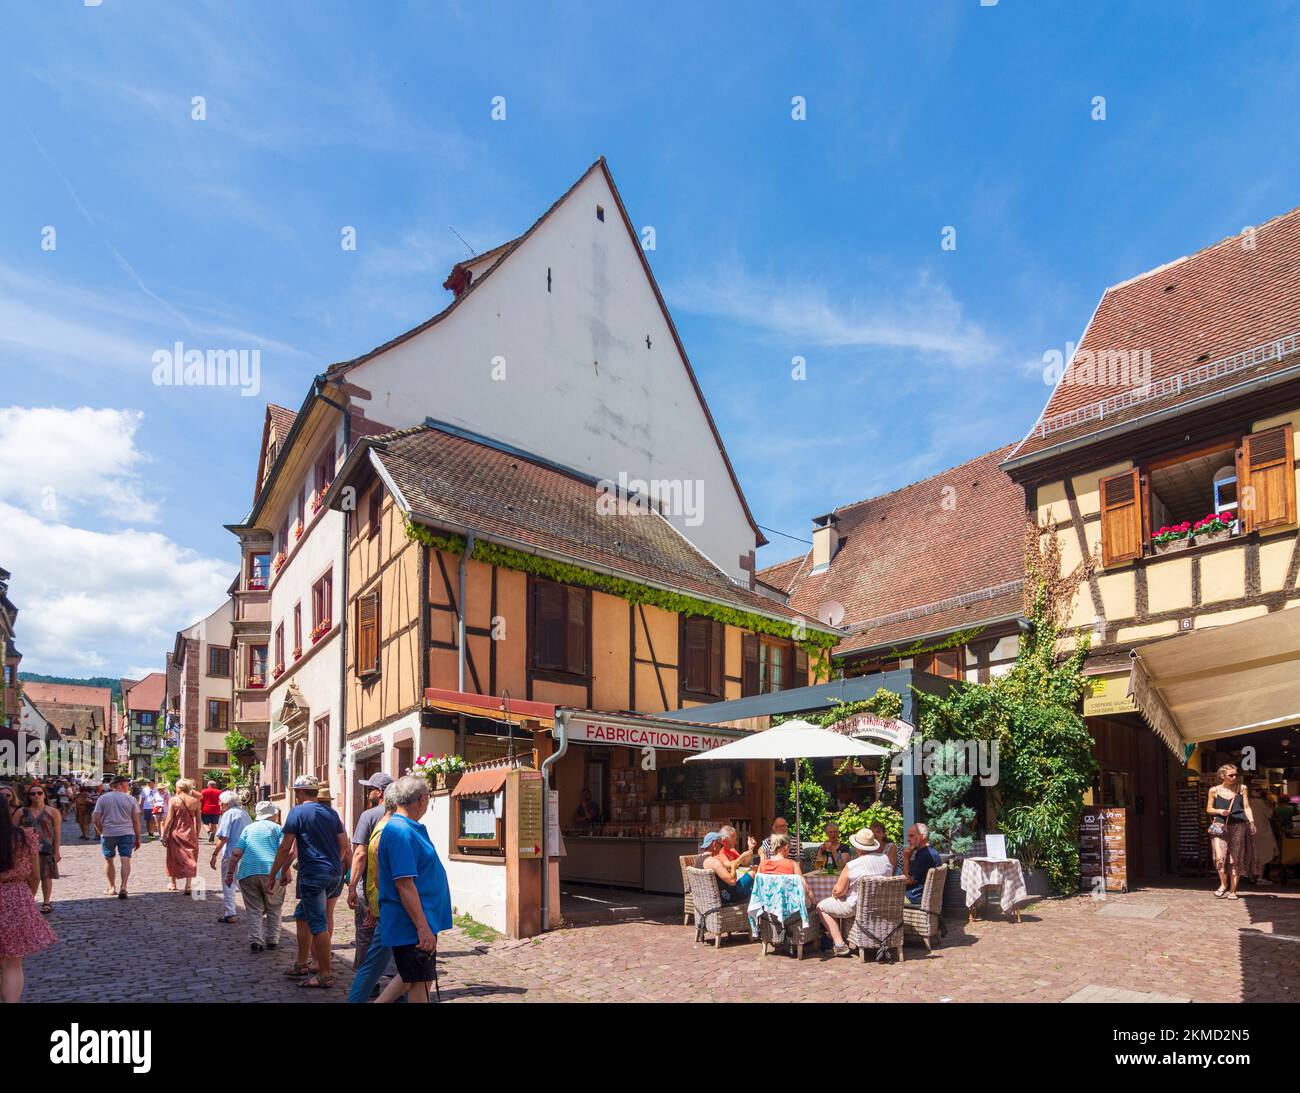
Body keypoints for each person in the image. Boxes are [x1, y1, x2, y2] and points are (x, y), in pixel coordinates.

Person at [373, 776, 453, 1004]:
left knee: (414, 977)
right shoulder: (401, 832)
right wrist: (423, 929)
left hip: (418, 919)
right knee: (419, 984)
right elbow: (404, 884)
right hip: (411, 923)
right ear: (421, 799)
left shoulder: (406, 828)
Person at [267, 775, 348, 990]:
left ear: (300, 792)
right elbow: (344, 844)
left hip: (313, 874)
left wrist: (273, 874)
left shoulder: (298, 812)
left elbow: (286, 846)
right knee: (302, 916)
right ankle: (301, 963)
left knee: (318, 923)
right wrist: (334, 864)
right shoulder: (331, 813)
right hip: (333, 873)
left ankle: (325, 974)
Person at [0, 798, 57, 1002]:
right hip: (15, 897)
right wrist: (27, 898)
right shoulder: (23, 837)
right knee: (12, 964)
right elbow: (34, 875)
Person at [348, 785, 398, 1003]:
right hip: (387, 893)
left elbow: (360, 853)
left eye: (370, 788)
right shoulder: (398, 821)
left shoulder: (370, 816)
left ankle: (370, 987)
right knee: (392, 943)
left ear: (380, 792)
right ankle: (392, 986)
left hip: (374, 890)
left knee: (366, 936)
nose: (367, 791)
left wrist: (352, 885)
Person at [816, 827, 895, 956]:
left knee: (822, 907)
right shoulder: (885, 859)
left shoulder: (853, 865)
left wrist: (836, 892)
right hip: (883, 905)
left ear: (857, 848)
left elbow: (839, 891)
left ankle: (839, 944)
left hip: (858, 906)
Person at [225, 801, 290, 953]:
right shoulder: (277, 829)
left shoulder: (249, 829)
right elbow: (284, 851)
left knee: (253, 908)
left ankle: (256, 941)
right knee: (274, 906)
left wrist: (230, 874)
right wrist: (286, 872)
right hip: (272, 872)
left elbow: (236, 854)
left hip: (248, 872)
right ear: (274, 814)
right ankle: (272, 940)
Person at [1206, 764, 1257, 899]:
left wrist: (1251, 822)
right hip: (1219, 826)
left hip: (1239, 825)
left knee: (1236, 857)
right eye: (1231, 775)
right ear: (1222, 776)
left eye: (1236, 775)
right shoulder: (1214, 790)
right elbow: (1209, 809)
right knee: (1219, 856)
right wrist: (1219, 811)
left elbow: (1246, 807)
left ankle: (1233, 890)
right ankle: (1223, 884)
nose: (1234, 777)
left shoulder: (1242, 788)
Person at [91, 775, 141, 899]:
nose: (128, 786)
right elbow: (136, 820)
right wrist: (138, 837)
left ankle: (112, 887)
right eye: (126, 783)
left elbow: (95, 819)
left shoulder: (103, 799)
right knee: (125, 860)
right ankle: (123, 886)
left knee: (109, 859)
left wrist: (101, 831)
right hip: (127, 833)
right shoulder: (131, 799)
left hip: (108, 833)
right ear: (119, 785)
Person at [16, 783, 61, 914]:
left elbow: (57, 832)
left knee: (46, 875)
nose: (36, 796)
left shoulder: (53, 812)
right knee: (29, 876)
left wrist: (57, 850)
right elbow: (13, 829)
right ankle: (30, 900)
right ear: (28, 796)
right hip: (26, 849)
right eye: (33, 793)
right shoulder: (22, 812)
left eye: (39, 793)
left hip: (46, 846)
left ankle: (46, 902)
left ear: (44, 795)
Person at [211, 791, 251, 924]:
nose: (219, 805)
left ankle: (230, 912)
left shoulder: (228, 814)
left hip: (230, 853)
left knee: (228, 882)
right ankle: (254, 909)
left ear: (226, 803)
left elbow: (223, 837)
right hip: (246, 853)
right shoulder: (244, 813)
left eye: (221, 803)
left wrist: (214, 854)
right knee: (244, 883)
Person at [162, 778, 202, 893]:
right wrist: (197, 833)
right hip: (190, 833)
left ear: (179, 787)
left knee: (173, 857)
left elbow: (169, 819)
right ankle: (188, 885)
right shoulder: (195, 801)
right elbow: (199, 821)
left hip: (176, 832)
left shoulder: (174, 800)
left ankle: (173, 883)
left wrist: (165, 834)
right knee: (191, 857)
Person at [756, 832, 814, 905]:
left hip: (767, 906)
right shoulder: (792, 864)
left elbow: (757, 886)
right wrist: (814, 902)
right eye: (790, 847)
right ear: (786, 847)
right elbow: (804, 885)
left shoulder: (762, 864)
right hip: (789, 907)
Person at [699, 831, 753, 904]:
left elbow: (729, 864)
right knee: (753, 873)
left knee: (750, 890)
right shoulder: (714, 862)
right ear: (715, 844)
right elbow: (732, 882)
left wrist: (747, 852)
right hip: (725, 897)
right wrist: (733, 867)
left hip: (706, 898)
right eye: (721, 845)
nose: (721, 848)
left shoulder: (700, 860)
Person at [901, 823, 942, 904]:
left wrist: (906, 858)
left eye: (911, 836)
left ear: (922, 836)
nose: (908, 839)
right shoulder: (932, 852)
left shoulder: (924, 856)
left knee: (884, 897)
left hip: (914, 898)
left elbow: (907, 880)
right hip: (924, 896)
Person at [1248, 783, 1278, 885]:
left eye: (1259, 790)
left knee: (1253, 854)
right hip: (1262, 832)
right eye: (1257, 790)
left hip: (1251, 831)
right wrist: (1271, 805)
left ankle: (1252, 876)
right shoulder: (1259, 802)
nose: (1259, 792)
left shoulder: (1246, 802)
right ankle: (1260, 877)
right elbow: (1269, 814)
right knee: (1264, 854)